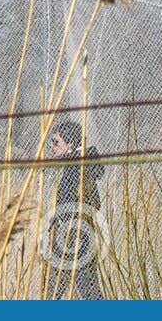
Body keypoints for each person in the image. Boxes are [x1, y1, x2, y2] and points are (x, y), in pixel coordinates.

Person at [42, 119, 105, 298]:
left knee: (69, 285)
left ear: (70, 143)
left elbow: (88, 201)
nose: (52, 147)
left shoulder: (77, 165)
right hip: (72, 233)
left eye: (56, 142)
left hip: (75, 235)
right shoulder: (76, 164)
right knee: (80, 285)